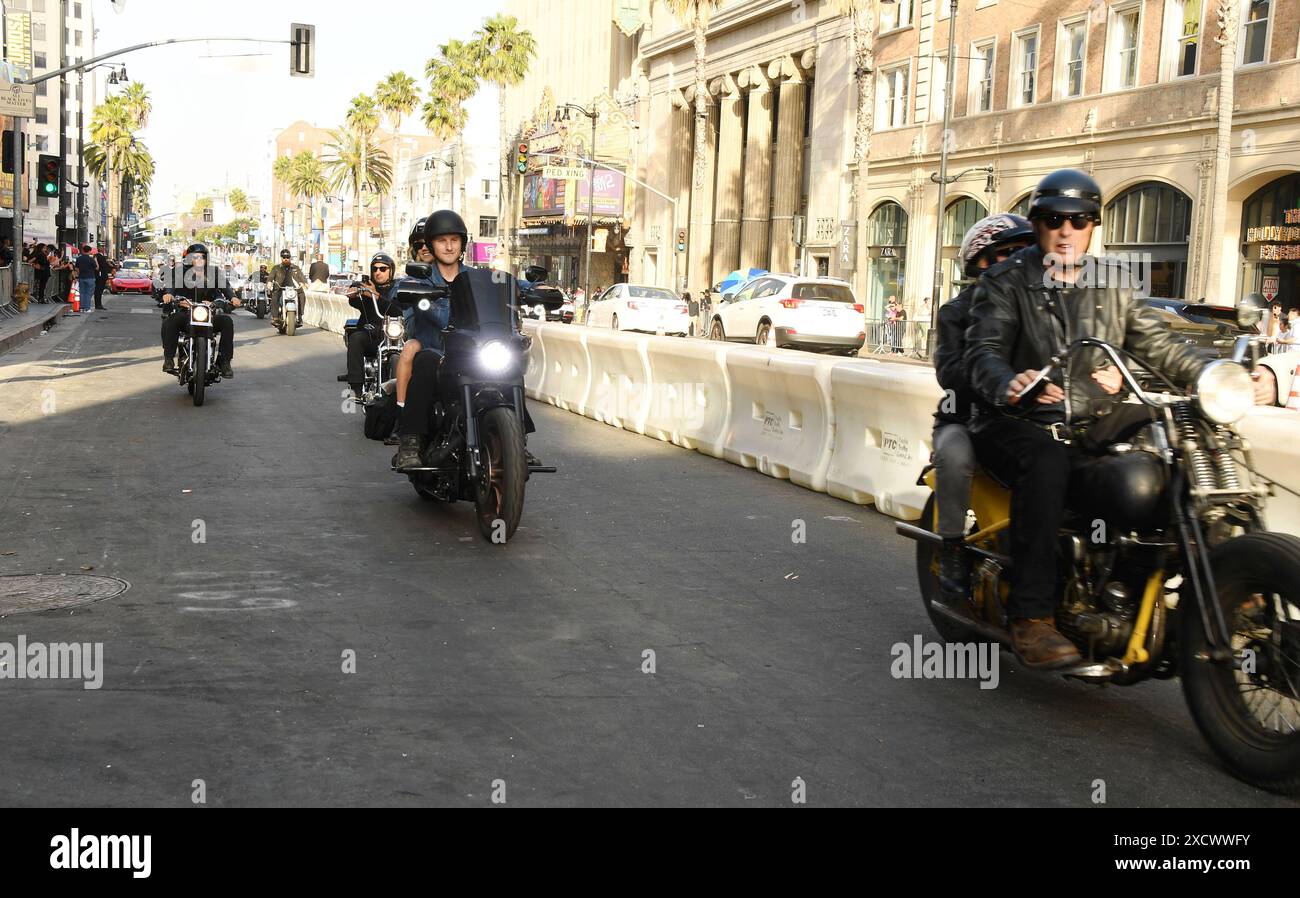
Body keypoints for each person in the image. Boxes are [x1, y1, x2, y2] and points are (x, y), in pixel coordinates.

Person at [965, 168, 1209, 669]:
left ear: (1094, 225)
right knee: (1049, 461)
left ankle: (1206, 574)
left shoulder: (1115, 284)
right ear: (1037, 224)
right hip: (1016, 419)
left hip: (1091, 415)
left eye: (1078, 219)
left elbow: (1160, 347)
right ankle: (1032, 617)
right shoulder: (1004, 281)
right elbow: (983, 350)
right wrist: (1009, 382)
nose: (1066, 230)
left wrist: (1212, 375)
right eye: (1054, 218)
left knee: (1179, 439)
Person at [930, 213, 1034, 614]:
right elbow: (950, 373)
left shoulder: (1040, 305)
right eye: (1009, 253)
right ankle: (953, 547)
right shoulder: (957, 312)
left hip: (1031, 422)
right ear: (982, 263)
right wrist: (1000, 378)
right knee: (954, 457)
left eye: (1026, 251)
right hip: (969, 419)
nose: (1020, 261)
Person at [391, 211, 463, 470]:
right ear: (432, 244)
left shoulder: (474, 276)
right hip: (436, 350)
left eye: (454, 240)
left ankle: (518, 441)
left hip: (470, 353)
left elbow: (506, 285)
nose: (449, 246)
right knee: (424, 361)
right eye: (442, 240)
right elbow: (401, 293)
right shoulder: (419, 279)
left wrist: (535, 290)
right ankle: (410, 442)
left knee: (508, 364)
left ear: (462, 243)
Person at [160, 243, 242, 377]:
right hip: (186, 314)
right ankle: (168, 359)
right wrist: (169, 295)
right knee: (171, 320)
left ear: (206, 259)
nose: (199, 259)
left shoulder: (214, 273)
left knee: (227, 321)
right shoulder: (179, 272)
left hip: (207, 314)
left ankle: (224, 361)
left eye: (202, 257)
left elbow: (225, 288)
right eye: (195, 256)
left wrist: (233, 297)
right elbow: (171, 285)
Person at [341, 252, 400, 400]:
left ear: (391, 270)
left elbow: (398, 311)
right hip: (371, 335)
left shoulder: (398, 289)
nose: (378, 272)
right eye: (375, 269)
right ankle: (356, 388)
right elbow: (352, 298)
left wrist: (376, 295)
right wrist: (355, 292)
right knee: (355, 338)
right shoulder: (365, 287)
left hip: (393, 336)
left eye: (383, 269)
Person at [270, 248, 308, 328]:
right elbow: (270, 277)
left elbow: (301, 276)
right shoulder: (276, 268)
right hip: (280, 288)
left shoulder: (295, 268)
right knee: (274, 296)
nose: (286, 259)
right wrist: (269, 283)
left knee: (302, 294)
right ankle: (275, 317)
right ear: (281, 258)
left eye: (287, 257)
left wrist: (304, 283)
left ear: (290, 257)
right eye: (284, 257)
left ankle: (300, 315)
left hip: (293, 289)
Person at [74, 245, 98, 315]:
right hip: (90, 277)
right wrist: (95, 260)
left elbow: (77, 269)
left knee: (82, 293)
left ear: (83, 250)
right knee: (88, 293)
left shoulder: (79, 258)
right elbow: (96, 268)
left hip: (81, 277)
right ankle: (87, 308)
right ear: (89, 251)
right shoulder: (91, 259)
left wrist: (78, 276)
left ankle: (81, 308)